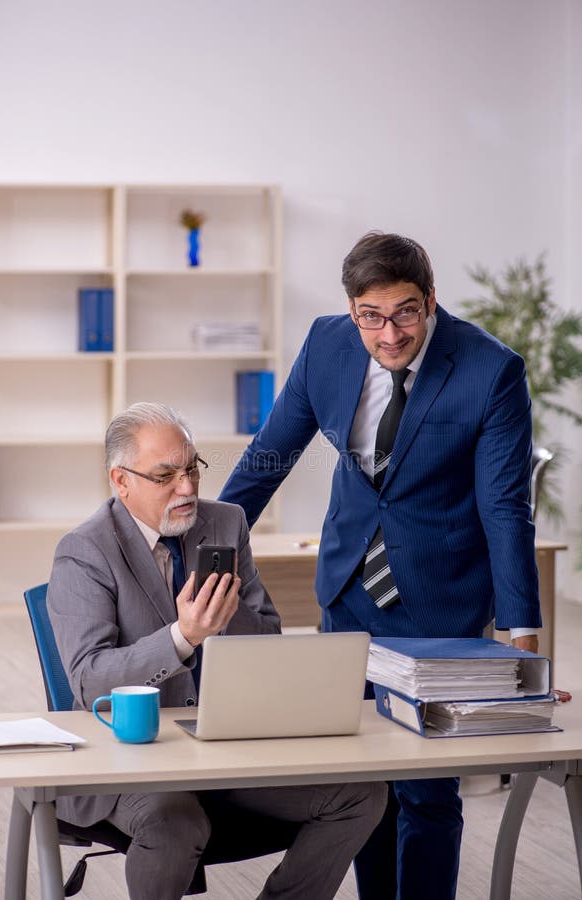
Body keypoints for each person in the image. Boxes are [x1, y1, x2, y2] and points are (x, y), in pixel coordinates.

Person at [220, 232, 543, 900]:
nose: (388, 332)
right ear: (350, 309)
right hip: (348, 590)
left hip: (442, 602)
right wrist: (209, 550)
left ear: (429, 301)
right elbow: (270, 455)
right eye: (371, 314)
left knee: (426, 790)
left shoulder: (489, 370)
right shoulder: (326, 344)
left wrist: (520, 637)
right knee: (362, 784)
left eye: (404, 312)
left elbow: (505, 507)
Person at [47, 401, 386, 900]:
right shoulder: (85, 551)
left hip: (226, 747)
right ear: (121, 482)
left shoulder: (225, 524)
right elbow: (91, 680)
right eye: (166, 476)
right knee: (174, 821)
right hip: (130, 762)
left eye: (192, 469)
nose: (186, 488)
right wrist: (184, 636)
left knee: (362, 794)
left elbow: (268, 641)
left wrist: (223, 616)